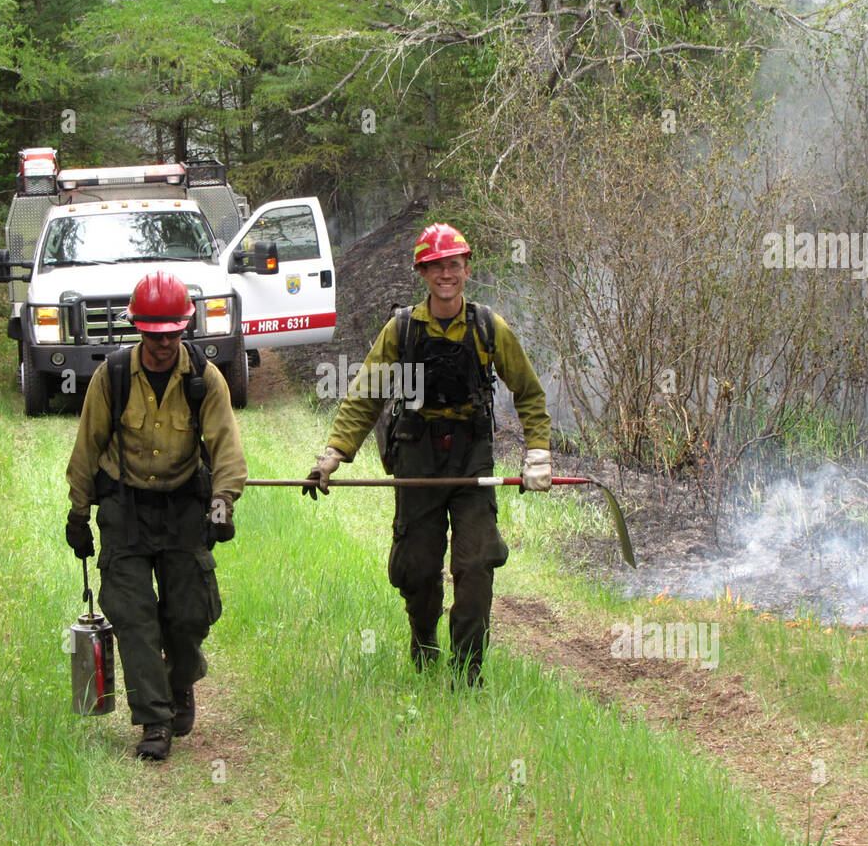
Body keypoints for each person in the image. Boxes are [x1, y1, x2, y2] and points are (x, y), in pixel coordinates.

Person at [303, 223, 552, 686]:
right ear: (423, 272)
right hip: (416, 456)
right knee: (416, 567)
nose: (446, 274)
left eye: (453, 265)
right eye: (436, 266)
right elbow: (365, 396)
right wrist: (333, 454)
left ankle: (467, 673)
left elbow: (530, 394)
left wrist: (537, 451)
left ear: (466, 270)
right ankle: (424, 643)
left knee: (476, 564)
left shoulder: (487, 328)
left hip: (470, 458)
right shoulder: (401, 329)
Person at [65, 272, 247, 760]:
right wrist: (78, 515)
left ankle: (180, 681)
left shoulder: (204, 379)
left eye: (171, 333)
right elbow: (87, 447)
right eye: (153, 334)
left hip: (184, 507)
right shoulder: (114, 376)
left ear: (184, 328)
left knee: (188, 615)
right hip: (125, 510)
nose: (163, 344)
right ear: (138, 330)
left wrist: (220, 505)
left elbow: (227, 450)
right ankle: (154, 721)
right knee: (133, 617)